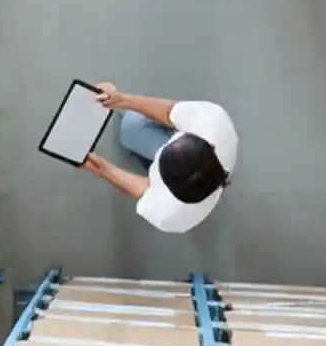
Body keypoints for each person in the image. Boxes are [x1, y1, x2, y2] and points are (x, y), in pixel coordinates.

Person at [79, 83, 237, 233]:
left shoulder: (168, 215)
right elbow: (170, 112)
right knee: (133, 123)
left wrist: (103, 170)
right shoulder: (213, 121)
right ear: (211, 146)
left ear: (166, 184)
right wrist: (122, 100)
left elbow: (144, 189)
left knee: (130, 131)